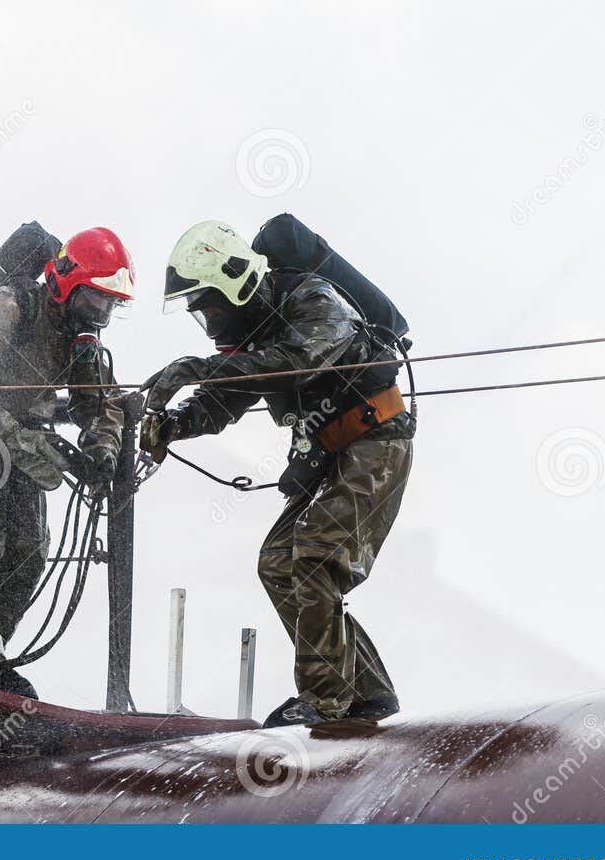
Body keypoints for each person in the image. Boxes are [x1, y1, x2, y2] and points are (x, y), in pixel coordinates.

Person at [140, 220, 413, 727]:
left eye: (211, 306)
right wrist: (175, 424)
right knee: (277, 561)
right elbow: (223, 400)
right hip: (334, 454)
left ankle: (325, 699)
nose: (211, 321)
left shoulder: (314, 298)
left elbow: (298, 362)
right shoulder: (254, 336)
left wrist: (196, 369)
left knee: (314, 557)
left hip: (376, 442)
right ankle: (368, 691)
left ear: (236, 285)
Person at [0, 226, 133, 699]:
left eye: (108, 307)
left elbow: (104, 404)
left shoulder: (80, 341)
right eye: (93, 301)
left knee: (29, 556)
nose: (98, 316)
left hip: (24, 451)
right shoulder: (7, 307)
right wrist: (21, 440)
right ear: (65, 282)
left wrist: (103, 448)